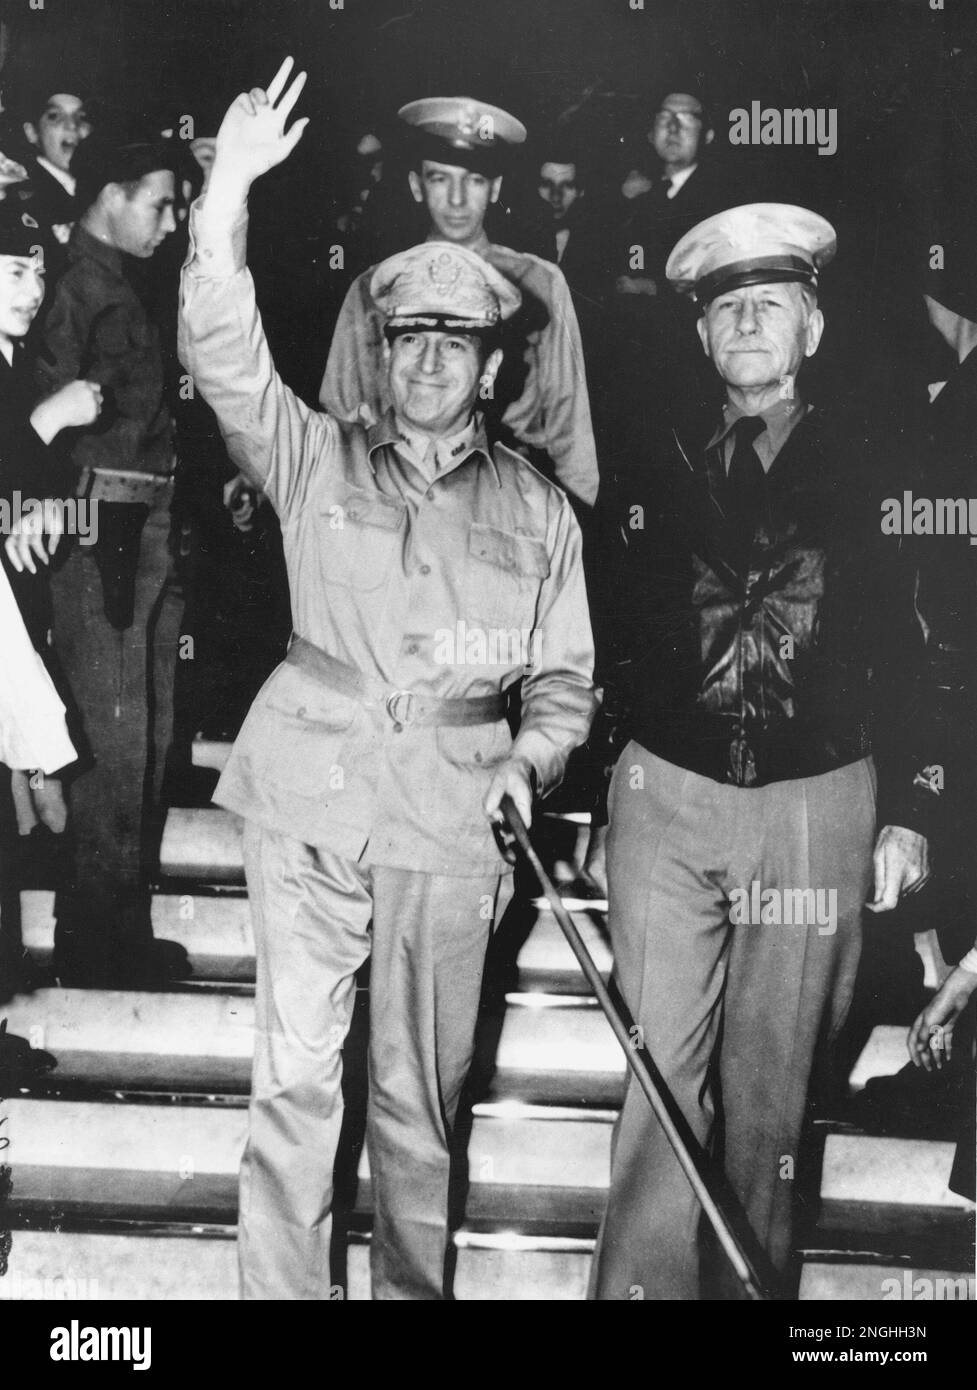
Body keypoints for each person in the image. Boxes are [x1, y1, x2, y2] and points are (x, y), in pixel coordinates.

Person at [178, 59, 597, 1301]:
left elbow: (563, 680)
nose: (425, 361)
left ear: (491, 366)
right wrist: (226, 194)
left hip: (456, 813)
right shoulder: (312, 458)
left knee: (419, 1101)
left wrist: (528, 760)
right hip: (310, 794)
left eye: (453, 340)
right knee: (298, 1081)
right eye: (408, 336)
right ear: (384, 349)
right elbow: (222, 351)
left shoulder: (538, 510)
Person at [587, 203, 954, 1300]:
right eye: (726, 308)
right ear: (701, 337)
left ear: (811, 328)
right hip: (667, 792)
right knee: (655, 1075)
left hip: (814, 797)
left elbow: (926, 640)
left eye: (770, 305)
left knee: (770, 1096)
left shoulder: (886, 458)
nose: (747, 323)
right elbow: (606, 617)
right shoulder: (647, 454)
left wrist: (914, 805)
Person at [35, 131, 179, 983]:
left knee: (149, 724)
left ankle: (122, 914)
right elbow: (40, 425)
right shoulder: (69, 284)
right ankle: (93, 930)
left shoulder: (127, 280)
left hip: (149, 518)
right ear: (111, 193)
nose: (170, 222)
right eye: (159, 203)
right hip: (101, 526)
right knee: (111, 723)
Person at [319, 95, 599, 510]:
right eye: (439, 178)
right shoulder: (372, 287)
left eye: (473, 180)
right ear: (416, 185)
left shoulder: (538, 282)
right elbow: (340, 416)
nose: (456, 199)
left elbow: (569, 423)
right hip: (395, 494)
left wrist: (575, 528)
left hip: (510, 495)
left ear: (496, 188)